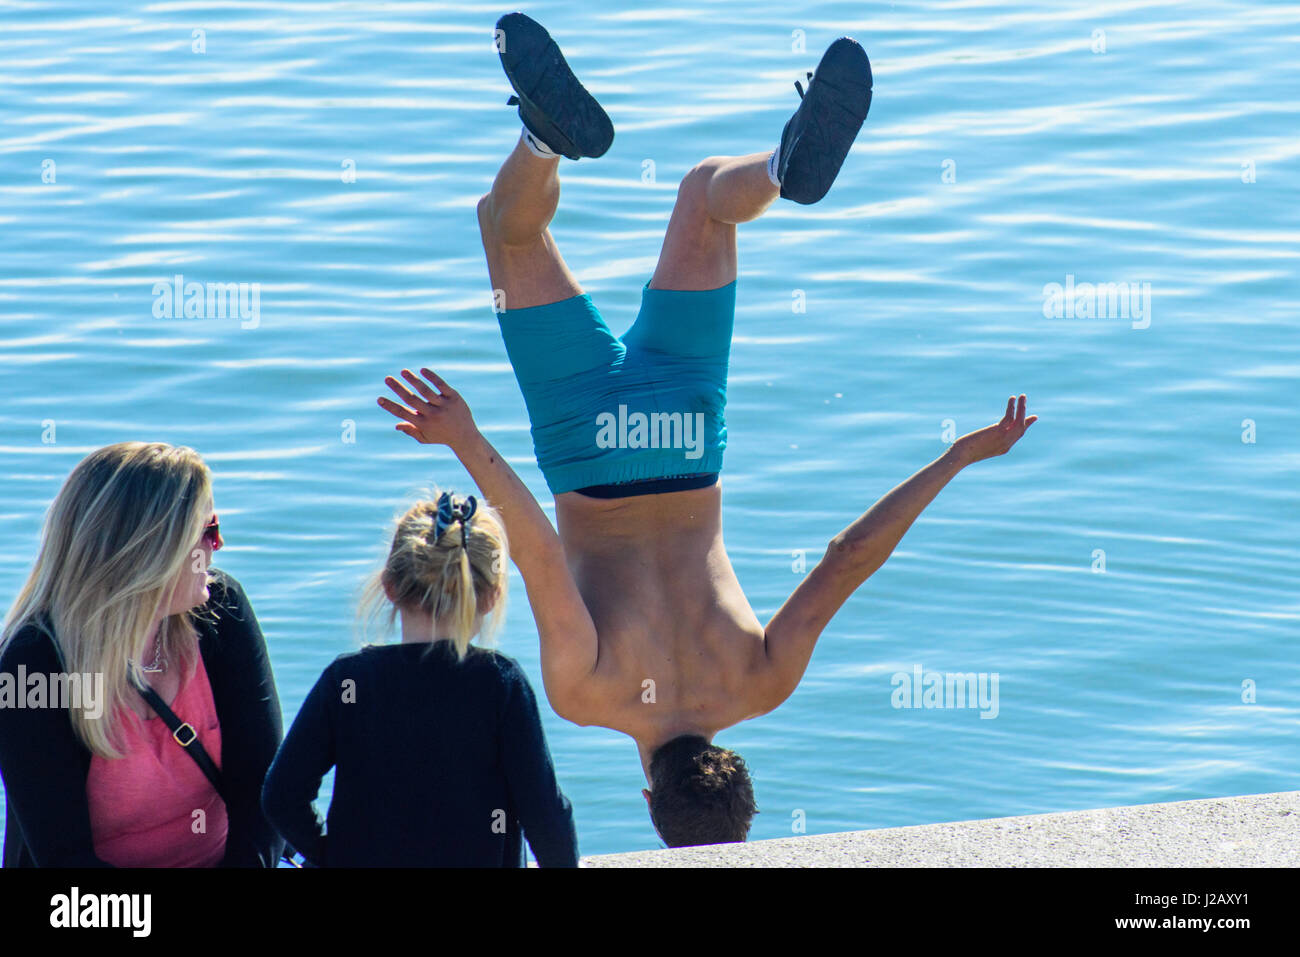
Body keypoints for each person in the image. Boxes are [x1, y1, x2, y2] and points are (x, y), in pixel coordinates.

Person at [376, 12, 1037, 849]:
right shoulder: (590, 695)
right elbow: (538, 550)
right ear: (652, 802)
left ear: (741, 782)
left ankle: (780, 168)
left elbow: (850, 555)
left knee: (706, 201)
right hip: (586, 444)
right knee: (505, 230)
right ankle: (543, 141)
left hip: (689, 436)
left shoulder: (761, 681)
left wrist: (961, 454)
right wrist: (466, 437)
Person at [0, 442, 283, 867]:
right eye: (207, 530)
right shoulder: (33, 665)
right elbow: (64, 859)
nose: (219, 544)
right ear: (150, 551)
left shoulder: (221, 611)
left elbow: (262, 798)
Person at [260, 490, 579, 867]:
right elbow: (545, 815)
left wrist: (332, 855)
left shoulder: (347, 682)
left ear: (390, 586)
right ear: (491, 597)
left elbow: (282, 796)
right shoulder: (500, 685)